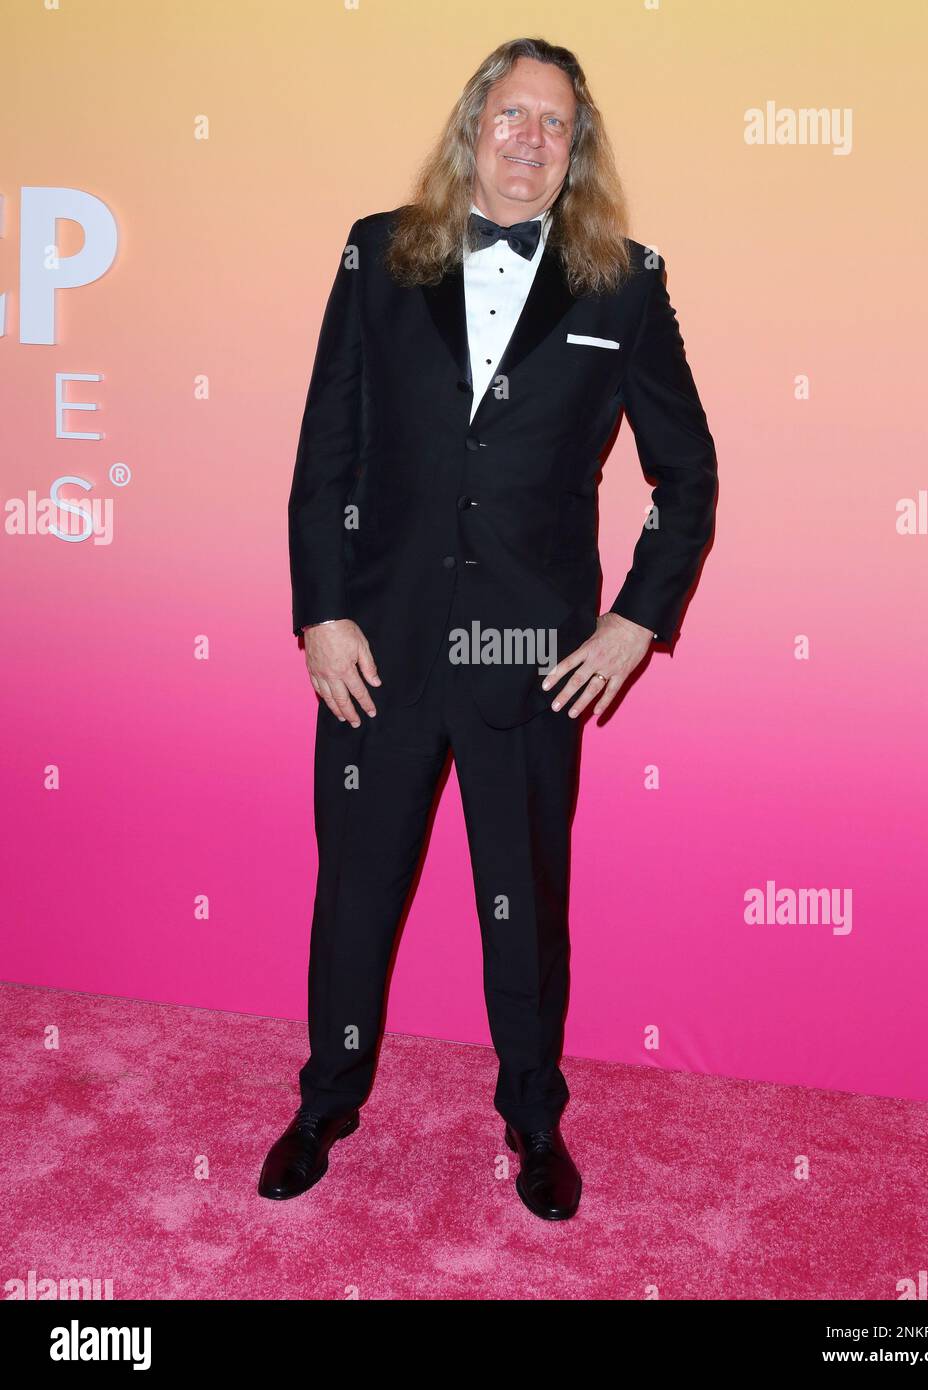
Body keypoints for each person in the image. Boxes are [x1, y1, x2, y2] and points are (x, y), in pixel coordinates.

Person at [258, 36, 718, 1219]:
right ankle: (325, 1099)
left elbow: (688, 476)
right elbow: (325, 454)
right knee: (356, 890)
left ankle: (531, 1116)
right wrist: (320, 611)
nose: (529, 137)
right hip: (383, 644)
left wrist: (632, 622)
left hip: (530, 657)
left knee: (522, 898)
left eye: (554, 123)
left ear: (577, 151)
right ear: (471, 127)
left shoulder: (624, 280)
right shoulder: (379, 253)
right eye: (511, 114)